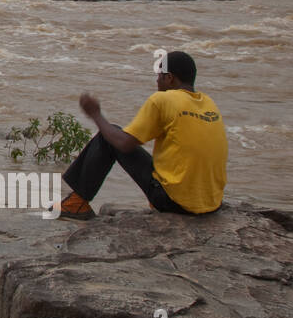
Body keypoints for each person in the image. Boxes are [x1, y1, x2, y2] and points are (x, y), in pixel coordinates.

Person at [61, 50, 227, 220]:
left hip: (176, 203)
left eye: (159, 75)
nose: (156, 80)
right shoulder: (209, 103)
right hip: (212, 203)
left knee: (109, 135)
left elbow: (124, 143)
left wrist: (96, 114)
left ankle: (76, 204)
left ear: (169, 78)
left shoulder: (163, 100)